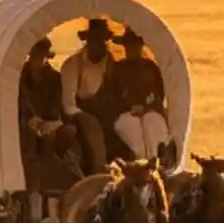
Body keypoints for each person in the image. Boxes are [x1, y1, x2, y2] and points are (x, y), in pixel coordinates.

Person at [59, 18, 115, 174]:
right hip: (77, 110)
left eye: (103, 40)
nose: (101, 44)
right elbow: (68, 101)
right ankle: (100, 170)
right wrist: (81, 114)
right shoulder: (73, 64)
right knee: (93, 127)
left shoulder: (108, 63)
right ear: (89, 41)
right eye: (97, 39)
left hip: (101, 108)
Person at [108, 28, 171, 160]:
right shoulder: (117, 69)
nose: (132, 50)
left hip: (151, 111)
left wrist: (148, 108)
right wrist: (128, 108)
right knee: (132, 130)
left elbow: (159, 94)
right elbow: (112, 96)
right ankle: (140, 161)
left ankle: (155, 160)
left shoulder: (151, 68)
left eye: (135, 46)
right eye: (129, 46)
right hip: (125, 113)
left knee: (153, 125)